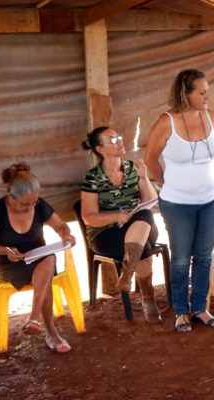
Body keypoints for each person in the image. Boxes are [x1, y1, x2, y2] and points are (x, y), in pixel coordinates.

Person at [144, 69, 214, 333]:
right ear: (185, 93)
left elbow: (211, 155)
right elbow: (150, 160)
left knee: (203, 255)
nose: (207, 96)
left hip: (211, 198)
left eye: (207, 90)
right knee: (180, 257)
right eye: (201, 92)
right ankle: (181, 310)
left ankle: (199, 307)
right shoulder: (166, 121)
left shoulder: (211, 117)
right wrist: (166, 184)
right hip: (177, 203)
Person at [0, 162, 76, 353]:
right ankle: (49, 332)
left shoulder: (39, 205)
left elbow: (61, 225)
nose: (31, 207)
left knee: (47, 261)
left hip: (39, 258)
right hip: (10, 264)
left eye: (34, 203)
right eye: (25, 204)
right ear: (11, 197)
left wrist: (65, 234)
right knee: (46, 267)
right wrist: (6, 250)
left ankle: (36, 319)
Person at [82, 126, 162, 324]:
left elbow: (150, 201)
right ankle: (148, 299)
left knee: (144, 213)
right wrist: (116, 216)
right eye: (112, 139)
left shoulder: (132, 168)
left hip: (140, 224)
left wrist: (143, 177)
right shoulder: (93, 178)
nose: (119, 141)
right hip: (106, 234)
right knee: (144, 248)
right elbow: (89, 217)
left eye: (119, 137)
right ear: (99, 149)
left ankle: (126, 275)